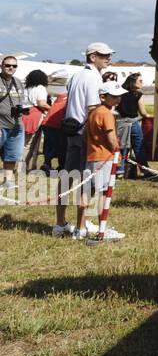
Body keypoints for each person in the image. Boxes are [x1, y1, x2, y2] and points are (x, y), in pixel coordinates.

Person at [55, 42, 112, 237]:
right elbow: (93, 110)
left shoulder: (76, 75)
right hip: (85, 135)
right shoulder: (94, 78)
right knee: (88, 182)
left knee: (67, 177)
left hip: (71, 131)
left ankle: (60, 222)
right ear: (92, 57)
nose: (108, 58)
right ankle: (81, 226)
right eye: (103, 55)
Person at [82, 82, 126, 240]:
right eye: (114, 97)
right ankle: (103, 228)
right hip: (104, 157)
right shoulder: (106, 114)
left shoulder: (94, 112)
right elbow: (111, 137)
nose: (118, 99)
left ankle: (82, 226)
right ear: (103, 97)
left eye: (119, 96)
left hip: (93, 156)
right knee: (104, 193)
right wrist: (117, 154)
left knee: (91, 191)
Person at [0, 55, 29, 194]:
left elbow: (20, 101)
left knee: (12, 155)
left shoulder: (18, 82)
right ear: (1, 66)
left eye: (14, 66)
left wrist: (21, 110)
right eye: (8, 65)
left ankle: (8, 181)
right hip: (1, 124)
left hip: (17, 125)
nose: (11, 68)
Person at [21, 69, 52, 171]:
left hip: (24, 114)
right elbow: (41, 103)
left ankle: (25, 166)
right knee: (30, 144)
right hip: (35, 115)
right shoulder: (41, 88)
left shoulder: (26, 88)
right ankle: (24, 167)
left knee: (24, 143)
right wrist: (53, 109)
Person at [116, 73, 145, 179]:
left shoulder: (119, 93)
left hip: (120, 123)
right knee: (138, 146)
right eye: (140, 81)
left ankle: (119, 170)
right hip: (133, 123)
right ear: (133, 82)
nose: (142, 83)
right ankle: (145, 169)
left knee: (122, 148)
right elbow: (143, 112)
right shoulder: (138, 95)